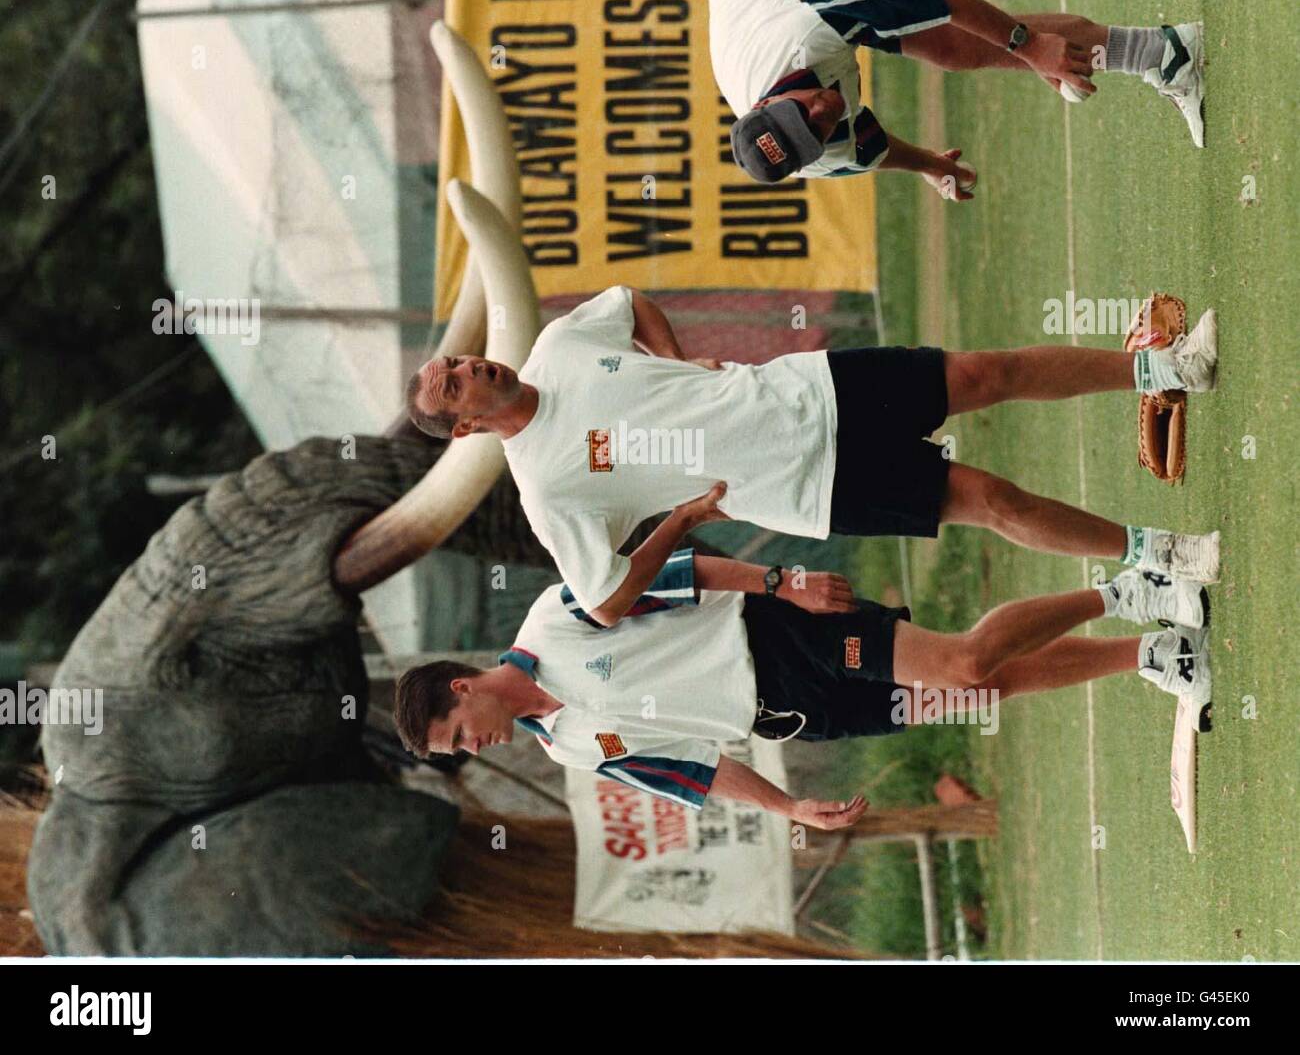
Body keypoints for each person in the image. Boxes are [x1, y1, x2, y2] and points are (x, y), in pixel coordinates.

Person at [406, 284, 1220, 628]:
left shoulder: (559, 343)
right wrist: (682, 517)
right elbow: (608, 600)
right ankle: (1165, 555)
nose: (471, 368)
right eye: (454, 388)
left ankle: (1162, 367)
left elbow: (632, 303)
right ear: (467, 429)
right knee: (993, 500)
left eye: (460, 361)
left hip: (808, 389)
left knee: (986, 372)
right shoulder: (546, 490)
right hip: (806, 486)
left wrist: (682, 360)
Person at [393, 550, 1212, 830]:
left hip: (776, 631)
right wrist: (788, 809)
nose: (473, 748)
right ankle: (1152, 655)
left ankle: (1128, 589)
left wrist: (781, 582)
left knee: (961, 664)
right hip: (789, 715)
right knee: (978, 691)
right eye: (458, 754)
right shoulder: (572, 748)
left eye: (459, 733)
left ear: (463, 688)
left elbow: (677, 575)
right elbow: (696, 769)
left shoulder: (555, 618)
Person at [711, 0, 1205, 195]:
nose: (822, 113)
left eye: (802, 114)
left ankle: (1164, 55)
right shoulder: (814, 156)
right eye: (812, 134)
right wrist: (932, 166)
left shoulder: (802, 34)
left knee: (963, 40)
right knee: (957, 50)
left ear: (771, 99)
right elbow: (869, 151)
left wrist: (1028, 45)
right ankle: (1165, 53)